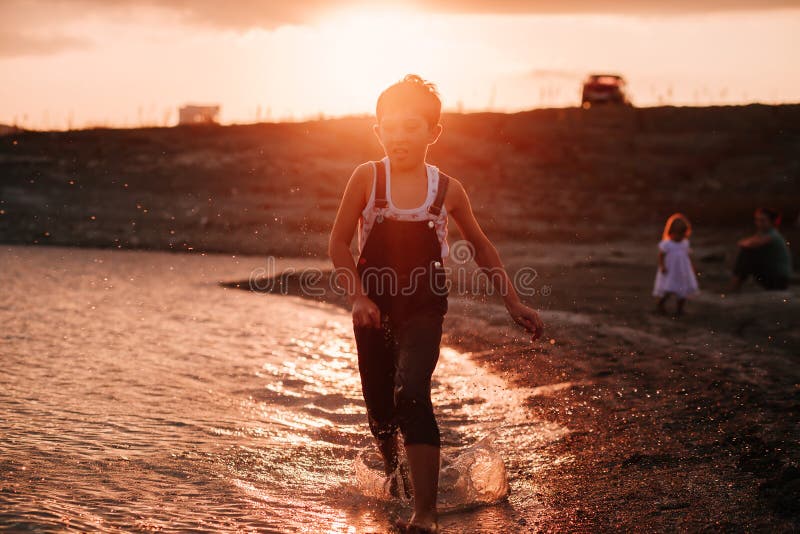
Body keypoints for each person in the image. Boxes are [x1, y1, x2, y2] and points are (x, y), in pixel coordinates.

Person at [327, 74, 544, 533]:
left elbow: (482, 248)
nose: (400, 135)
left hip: (425, 305)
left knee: (412, 391)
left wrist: (512, 301)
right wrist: (358, 296)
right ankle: (393, 472)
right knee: (380, 407)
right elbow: (338, 244)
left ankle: (425, 511)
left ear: (433, 132)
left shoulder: (447, 190)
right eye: (390, 126)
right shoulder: (368, 178)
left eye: (411, 126)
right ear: (378, 130)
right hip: (374, 306)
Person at [729, 207, 792, 291]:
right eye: (757, 220)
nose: (758, 223)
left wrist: (744, 244)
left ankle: (734, 287)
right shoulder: (762, 233)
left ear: (772, 222)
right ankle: (734, 286)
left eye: (762, 220)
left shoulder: (773, 235)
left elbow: (749, 244)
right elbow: (746, 243)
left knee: (746, 253)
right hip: (771, 276)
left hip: (779, 280)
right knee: (747, 254)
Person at [653, 213, 699, 317]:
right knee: (668, 290)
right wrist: (662, 266)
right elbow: (661, 256)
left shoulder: (685, 243)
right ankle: (660, 305)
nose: (680, 237)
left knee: (683, 291)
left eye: (682, 234)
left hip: (682, 271)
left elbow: (687, 257)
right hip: (670, 271)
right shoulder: (667, 244)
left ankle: (680, 309)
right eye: (677, 234)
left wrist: (691, 268)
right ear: (670, 232)